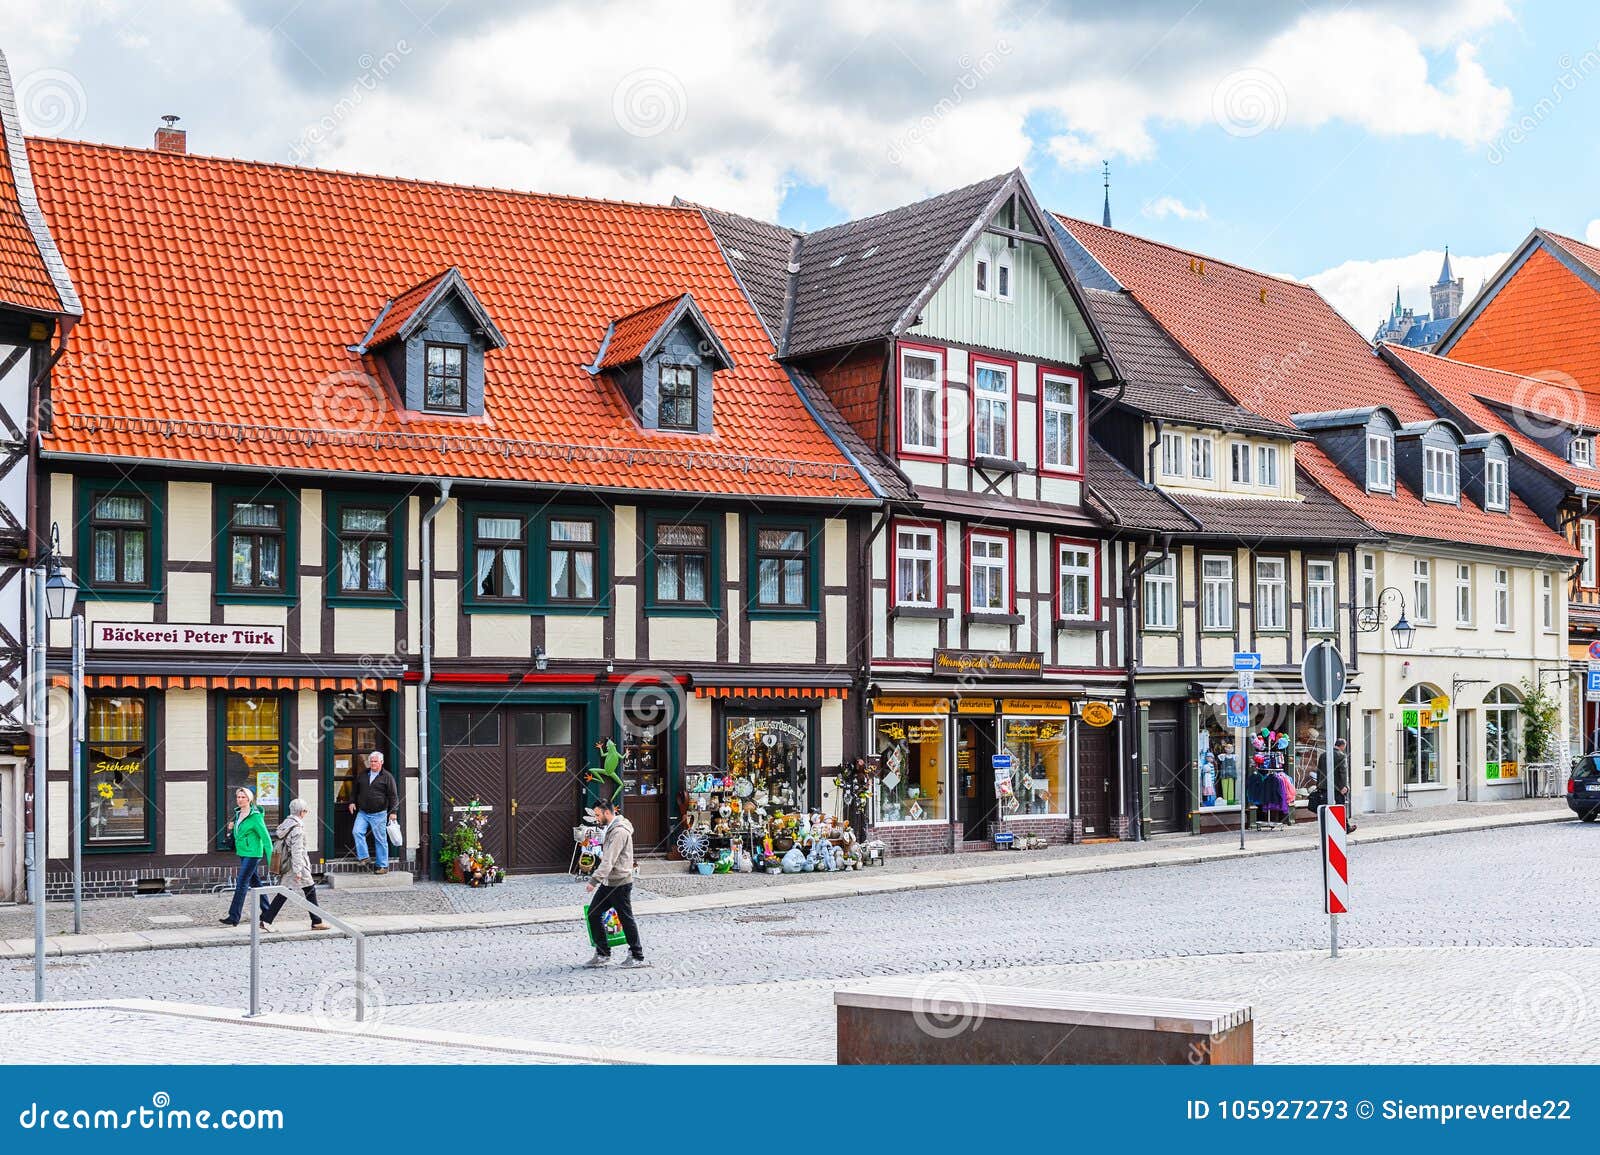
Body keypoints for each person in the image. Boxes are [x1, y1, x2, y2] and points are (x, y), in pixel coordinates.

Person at [583, 797, 647, 968]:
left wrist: (593, 880)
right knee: (594, 913)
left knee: (626, 918)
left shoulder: (619, 832)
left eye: (597, 815)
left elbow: (609, 860)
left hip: (620, 882)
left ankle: (637, 955)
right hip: (610, 882)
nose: (596, 818)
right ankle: (603, 953)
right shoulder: (612, 829)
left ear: (607, 812)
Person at [260, 798, 330, 932]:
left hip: (288, 863)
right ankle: (315, 922)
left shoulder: (286, 824)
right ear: (301, 812)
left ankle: (267, 919)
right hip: (297, 865)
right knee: (307, 890)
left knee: (288, 892)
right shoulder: (297, 828)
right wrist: (298, 871)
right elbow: (297, 851)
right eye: (306, 811)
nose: (306, 813)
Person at [220, 786, 271, 926]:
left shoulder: (255, 816)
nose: (240, 800)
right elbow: (240, 833)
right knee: (256, 883)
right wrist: (232, 828)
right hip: (243, 852)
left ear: (249, 799)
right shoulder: (238, 814)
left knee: (241, 882)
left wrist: (272, 862)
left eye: (243, 797)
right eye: (238, 797)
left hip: (253, 854)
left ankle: (233, 916)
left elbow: (266, 839)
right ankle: (267, 911)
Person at [348, 750, 398, 874]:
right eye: (371, 761)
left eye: (375, 761)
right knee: (357, 831)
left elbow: (393, 796)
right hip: (363, 812)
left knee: (380, 839)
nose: (373, 763)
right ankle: (364, 857)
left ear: (381, 762)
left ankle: (382, 866)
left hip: (379, 813)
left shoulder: (387, 777)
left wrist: (393, 811)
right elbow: (355, 790)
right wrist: (352, 801)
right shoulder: (363, 774)